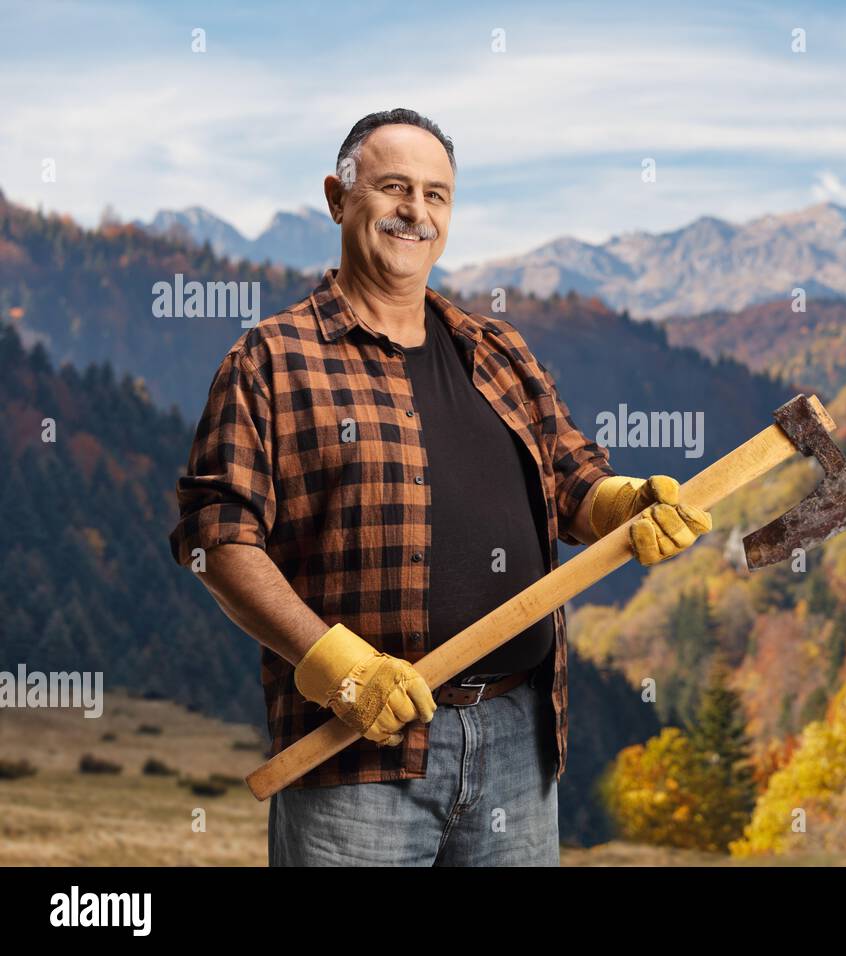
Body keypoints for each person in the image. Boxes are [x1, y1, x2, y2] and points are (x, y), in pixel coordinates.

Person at [168, 108, 712, 865]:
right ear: (337, 196)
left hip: (520, 738)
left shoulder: (494, 348)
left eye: (436, 195)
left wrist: (627, 504)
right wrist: (338, 668)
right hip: (356, 752)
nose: (415, 213)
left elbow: (569, 477)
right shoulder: (272, 358)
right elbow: (218, 542)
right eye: (394, 188)